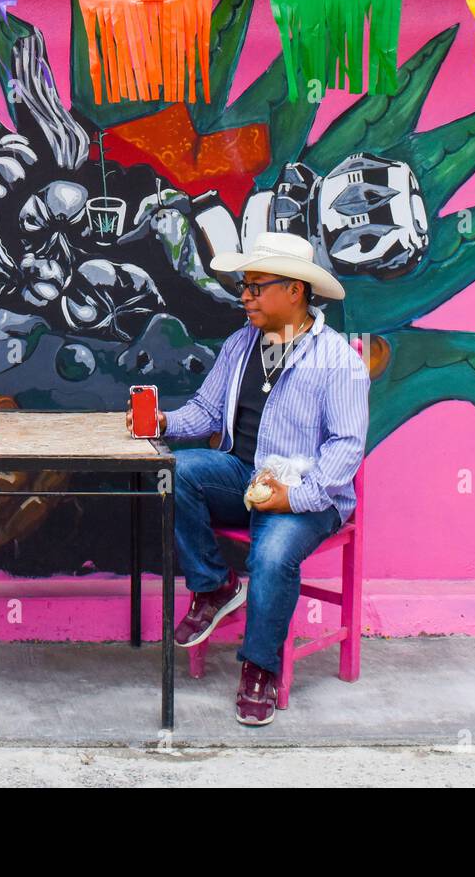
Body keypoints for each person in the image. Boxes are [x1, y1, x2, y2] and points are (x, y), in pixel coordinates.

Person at [126, 232, 369, 726]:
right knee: (177, 470)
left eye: (257, 286)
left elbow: (347, 448)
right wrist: (162, 423)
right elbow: (206, 411)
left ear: (296, 290)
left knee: (273, 554)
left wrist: (296, 497)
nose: (245, 296)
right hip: (242, 476)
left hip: (309, 494)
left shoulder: (337, 360)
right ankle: (215, 586)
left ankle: (260, 669)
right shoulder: (240, 345)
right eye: (245, 286)